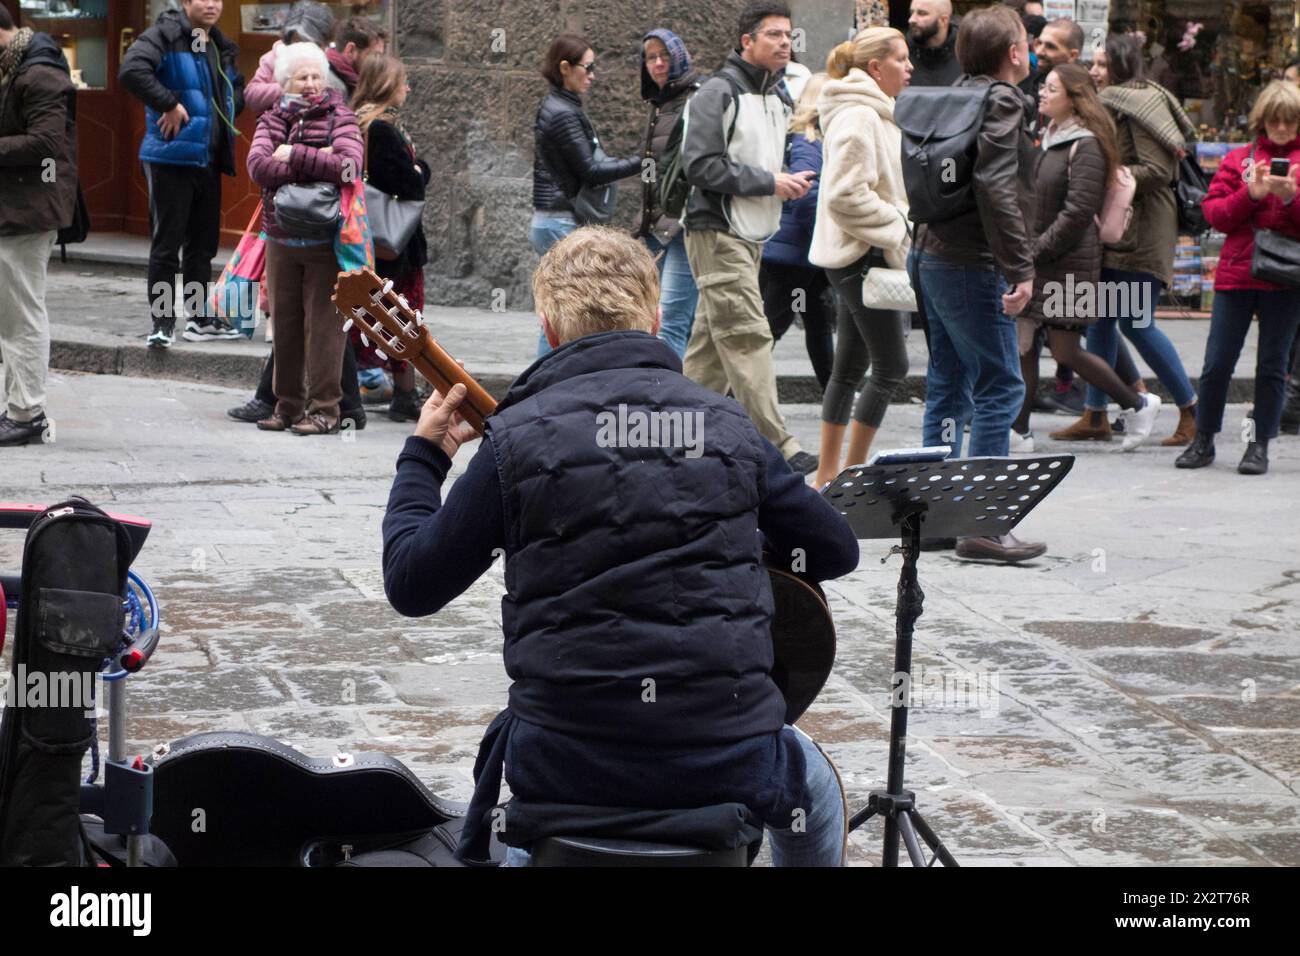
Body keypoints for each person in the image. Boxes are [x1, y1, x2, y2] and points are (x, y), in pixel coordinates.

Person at [381, 225, 861, 866]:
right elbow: (835, 550)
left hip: (563, 767)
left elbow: (411, 582)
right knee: (818, 795)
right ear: (658, 318)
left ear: (548, 328)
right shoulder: (725, 424)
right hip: (730, 757)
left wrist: (426, 455)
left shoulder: (512, 441)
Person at [911, 4, 1045, 563]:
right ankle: (981, 522)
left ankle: (933, 514)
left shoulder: (951, 93)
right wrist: (1020, 267)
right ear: (1015, 53)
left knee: (948, 381)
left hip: (930, 255)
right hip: (971, 262)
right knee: (1000, 386)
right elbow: (995, 186)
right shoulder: (1004, 99)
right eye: (1023, 43)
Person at [680, 2, 818, 475]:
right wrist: (770, 182)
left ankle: (674, 442)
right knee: (747, 334)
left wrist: (786, 177)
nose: (785, 42)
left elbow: (772, 154)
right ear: (747, 42)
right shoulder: (717, 92)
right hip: (716, 228)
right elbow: (698, 165)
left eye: (788, 35)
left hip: (753, 230)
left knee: (709, 349)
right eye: (774, 35)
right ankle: (782, 445)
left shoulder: (779, 95)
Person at [229, 4, 378, 428]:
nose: (312, 84)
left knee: (325, 330)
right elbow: (258, 167)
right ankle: (287, 407)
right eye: (302, 78)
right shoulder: (273, 117)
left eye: (316, 76)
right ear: (285, 83)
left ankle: (327, 411)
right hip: (280, 236)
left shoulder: (341, 115)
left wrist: (294, 154)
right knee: (287, 327)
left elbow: (349, 166)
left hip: (324, 239)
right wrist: (318, 159)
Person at [1052, 33, 1198, 447]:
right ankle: (1095, 414)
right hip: (1115, 231)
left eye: (1100, 65)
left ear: (1119, 66)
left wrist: (1107, 175)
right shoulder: (1110, 102)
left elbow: (1159, 169)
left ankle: (1191, 409)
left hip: (1142, 232)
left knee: (1136, 322)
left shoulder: (1135, 103)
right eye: (1092, 65)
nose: (1093, 72)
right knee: (1098, 319)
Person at [1012, 63, 1161, 452]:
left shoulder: (1088, 143)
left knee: (1066, 350)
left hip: (1071, 263)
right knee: (1024, 342)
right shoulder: (1048, 135)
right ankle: (1019, 429)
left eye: (1051, 89)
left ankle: (1138, 403)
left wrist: (1037, 249)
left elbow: (1078, 212)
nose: (1042, 94)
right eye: (1042, 87)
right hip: (1040, 258)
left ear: (1074, 98)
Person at [1176, 81, 1300, 475]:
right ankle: (1203, 440)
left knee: (1271, 367)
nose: (1281, 129)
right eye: (1275, 121)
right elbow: (1215, 216)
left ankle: (1258, 445)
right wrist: (1251, 193)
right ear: (1262, 120)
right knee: (1216, 364)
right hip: (1237, 275)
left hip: (1284, 279)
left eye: (1290, 121)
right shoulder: (1240, 159)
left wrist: (1289, 199)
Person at [809, 29, 913, 488]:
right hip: (861, 254)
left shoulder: (868, 112)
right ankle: (850, 475)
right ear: (876, 67)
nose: (910, 68)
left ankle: (830, 475)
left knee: (850, 367)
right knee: (892, 367)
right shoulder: (860, 116)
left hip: (855, 253)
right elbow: (844, 196)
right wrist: (898, 224)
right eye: (902, 59)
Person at [120, 0, 245, 349]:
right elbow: (132, 71)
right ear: (186, 2)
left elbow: (232, 93)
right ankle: (162, 322)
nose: (211, 4)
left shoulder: (216, 44)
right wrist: (168, 103)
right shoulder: (165, 33)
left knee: (202, 247)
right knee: (166, 247)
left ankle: (199, 316)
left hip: (207, 159)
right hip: (170, 159)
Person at [532, 33, 641, 357]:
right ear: (565, 67)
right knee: (564, 313)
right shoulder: (562, 112)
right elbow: (590, 170)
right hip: (559, 219)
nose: (592, 75)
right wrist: (643, 161)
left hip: (555, 218)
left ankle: (547, 385)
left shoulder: (561, 107)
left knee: (559, 312)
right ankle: (545, 385)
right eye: (588, 67)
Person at [0, 10, 76, 447]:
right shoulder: (16, 66)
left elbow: (48, 142)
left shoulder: (40, 71)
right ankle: (19, 406)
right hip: (17, 206)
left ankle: (27, 412)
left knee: (22, 313)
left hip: (29, 210)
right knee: (12, 313)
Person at [351, 54, 430, 422]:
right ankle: (404, 395)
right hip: (394, 244)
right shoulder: (380, 128)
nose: (408, 88)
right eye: (403, 81)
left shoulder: (367, 123)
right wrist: (421, 169)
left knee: (381, 312)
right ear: (386, 86)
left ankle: (396, 391)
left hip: (376, 240)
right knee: (402, 313)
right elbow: (410, 183)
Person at [760, 71, 835, 391]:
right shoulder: (810, 139)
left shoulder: (810, 136)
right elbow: (806, 199)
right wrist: (828, 236)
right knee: (769, 330)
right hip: (794, 256)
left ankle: (836, 391)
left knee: (817, 322)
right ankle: (732, 396)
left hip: (801, 253)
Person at [633, 28, 701, 359]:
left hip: (683, 225)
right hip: (653, 225)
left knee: (672, 317)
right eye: (651, 57)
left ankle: (663, 392)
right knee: (645, 313)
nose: (658, 63)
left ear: (678, 57)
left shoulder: (694, 99)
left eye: (665, 56)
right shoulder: (658, 103)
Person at [244, 1, 338, 114]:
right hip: (276, 126)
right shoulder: (276, 56)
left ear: (325, 43)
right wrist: (289, 86)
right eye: (297, 44)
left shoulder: (334, 61)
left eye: (311, 45)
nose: (304, 51)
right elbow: (251, 95)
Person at [907, 0, 960, 88]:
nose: (911, 20)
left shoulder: (966, 57)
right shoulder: (902, 56)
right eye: (911, 12)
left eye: (922, 13)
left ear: (944, 20)